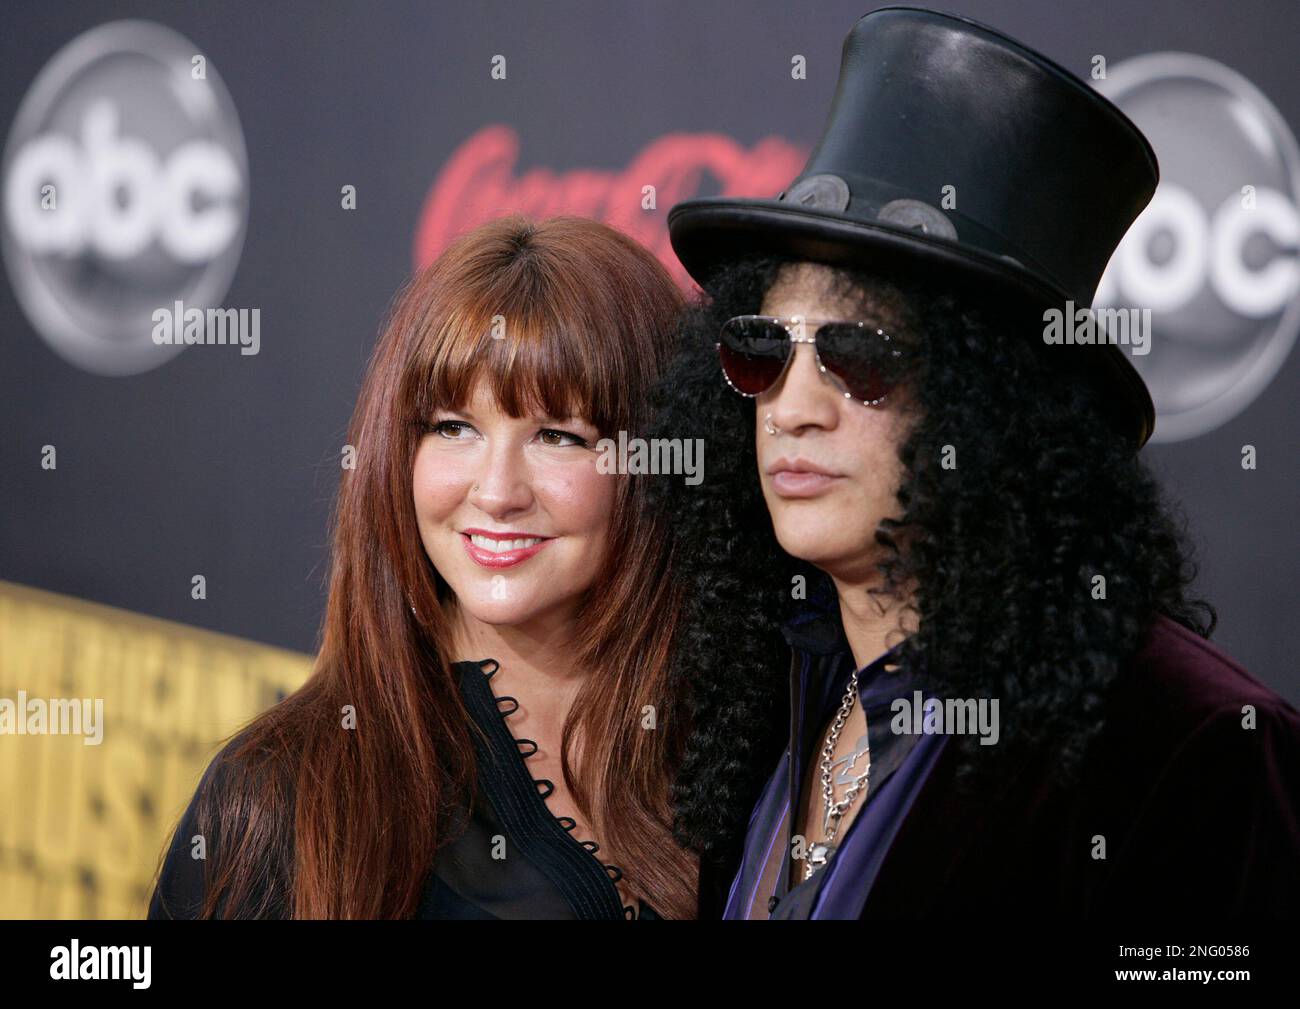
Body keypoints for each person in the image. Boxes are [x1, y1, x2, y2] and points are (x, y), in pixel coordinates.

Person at [653, 7, 1300, 918]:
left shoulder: (1192, 745)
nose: (792, 407)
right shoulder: (766, 699)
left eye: (859, 355)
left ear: (994, 407)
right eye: (762, 349)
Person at [148, 214, 696, 919]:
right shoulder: (280, 796)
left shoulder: (749, 757)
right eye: (454, 428)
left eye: (559, 435)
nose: (497, 492)